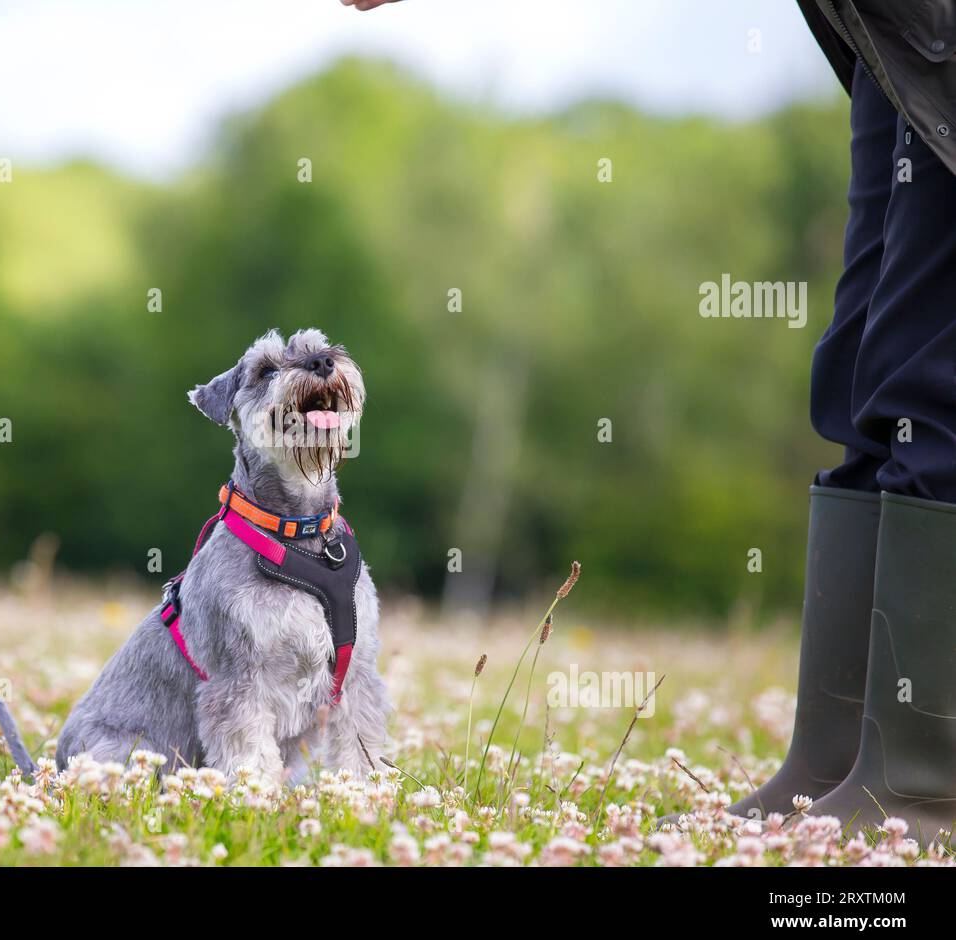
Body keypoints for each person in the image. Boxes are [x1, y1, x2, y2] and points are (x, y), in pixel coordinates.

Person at [348, 0, 956, 840]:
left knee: (925, 380)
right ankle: (836, 759)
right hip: (892, 37)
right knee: (858, 373)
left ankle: (922, 786)